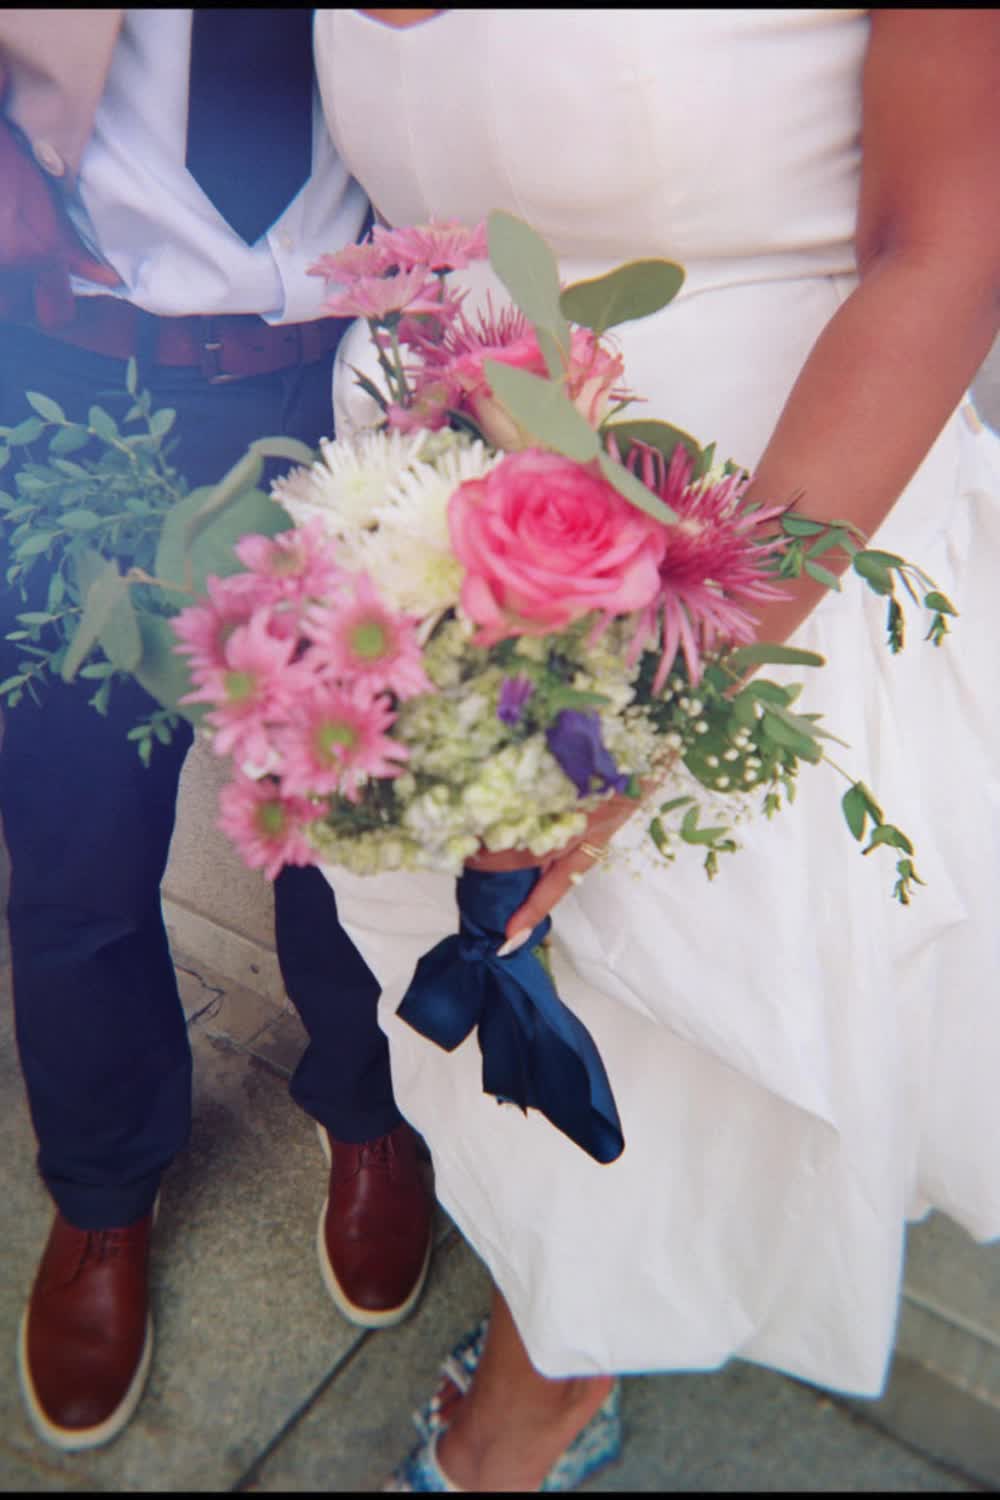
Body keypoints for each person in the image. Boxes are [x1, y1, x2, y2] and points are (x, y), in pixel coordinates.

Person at [308, 6, 1000, 1491]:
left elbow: (948, 251)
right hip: (436, 502)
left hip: (761, 532)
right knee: (477, 962)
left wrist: (680, 690)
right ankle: (548, 1279)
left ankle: (555, 1372)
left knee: (660, 1024)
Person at [0, 8, 435, 1455]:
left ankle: (366, 1105)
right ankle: (104, 1190)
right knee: (77, 846)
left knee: (345, 813)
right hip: (81, 373)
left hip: (344, 387)